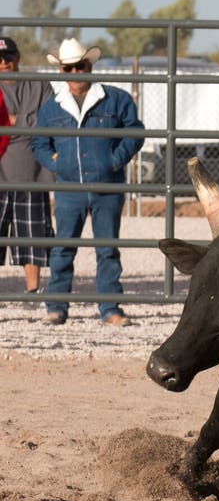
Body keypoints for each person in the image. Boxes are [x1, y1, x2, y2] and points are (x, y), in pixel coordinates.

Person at [31, 37, 144, 327]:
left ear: (89, 65)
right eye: (68, 69)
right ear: (62, 72)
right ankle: (56, 307)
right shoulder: (51, 107)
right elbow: (39, 142)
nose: (75, 73)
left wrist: (114, 160)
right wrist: (56, 163)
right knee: (63, 248)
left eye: (79, 66)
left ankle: (110, 309)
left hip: (107, 186)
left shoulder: (116, 99)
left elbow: (135, 132)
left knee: (107, 248)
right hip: (70, 187)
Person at [0, 36, 54, 297]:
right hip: (2, 170)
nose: (3, 62)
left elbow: (50, 120)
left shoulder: (39, 84)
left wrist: (13, 122)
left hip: (33, 174)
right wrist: (27, 124)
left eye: (8, 57)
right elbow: (36, 124)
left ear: (17, 57)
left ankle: (33, 291)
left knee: (32, 234)